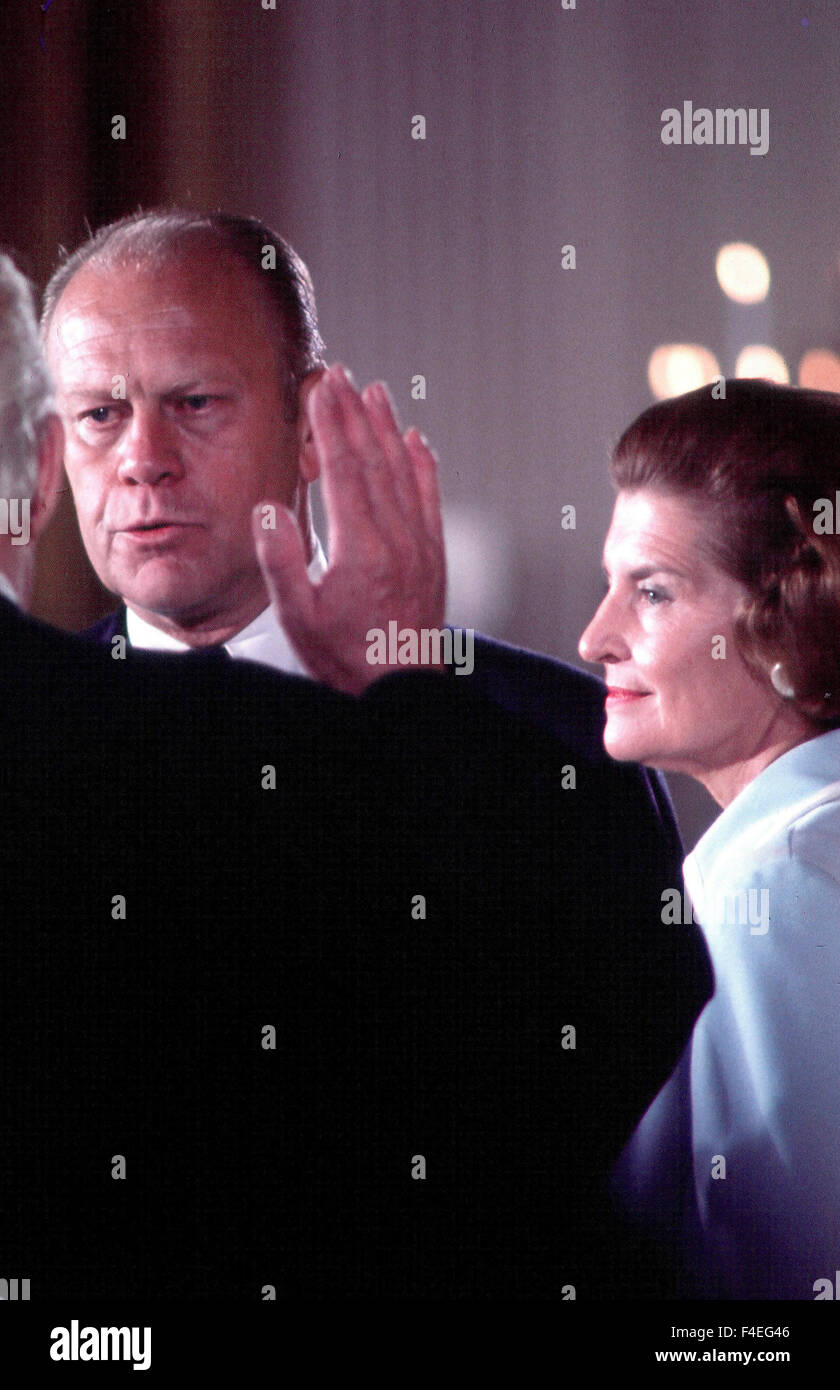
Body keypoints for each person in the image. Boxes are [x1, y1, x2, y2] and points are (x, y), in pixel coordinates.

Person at [3, 248, 712, 1298]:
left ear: (308, 424)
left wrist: (405, 704)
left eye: (194, 402)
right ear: (53, 454)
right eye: (102, 416)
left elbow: (622, 1100)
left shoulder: (546, 734)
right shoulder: (41, 742)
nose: (144, 459)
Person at [578, 377, 840, 1300]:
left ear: (791, 615)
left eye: (651, 592)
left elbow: (787, 1286)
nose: (594, 637)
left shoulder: (780, 883)